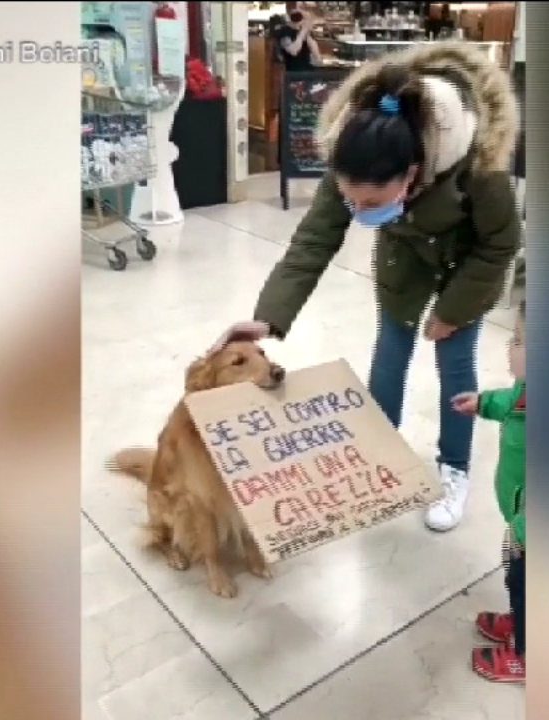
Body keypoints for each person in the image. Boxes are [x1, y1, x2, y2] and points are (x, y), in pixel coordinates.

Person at [208, 42, 521, 532]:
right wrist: (268, 317)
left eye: (373, 200)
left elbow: (501, 244)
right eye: (351, 199)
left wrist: (454, 310)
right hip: (404, 258)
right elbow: (314, 239)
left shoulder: (479, 163)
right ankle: (378, 454)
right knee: (391, 351)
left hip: (467, 263)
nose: (359, 211)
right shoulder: (354, 154)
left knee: (455, 361)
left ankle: (454, 468)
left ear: (413, 173)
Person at [451, 300, 526, 684]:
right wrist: (484, 403)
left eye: (518, 340)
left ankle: (525, 654)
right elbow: (513, 402)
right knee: (519, 583)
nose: (509, 346)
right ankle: (522, 621)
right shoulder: (529, 390)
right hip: (521, 524)